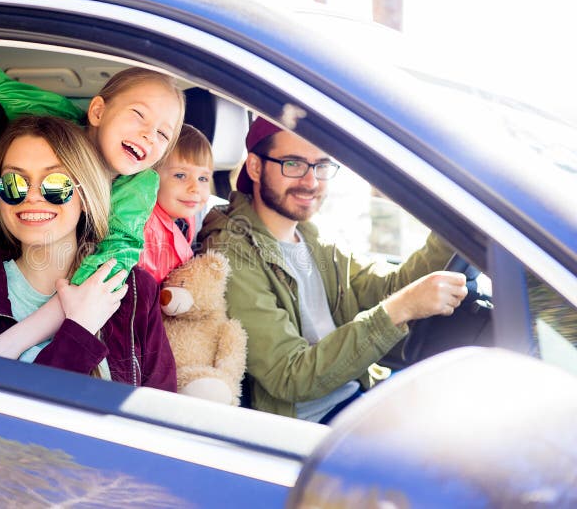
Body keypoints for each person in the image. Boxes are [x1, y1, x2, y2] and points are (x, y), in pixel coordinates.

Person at [0, 44, 185, 352]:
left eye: (163, 134)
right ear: (98, 111)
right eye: (139, 115)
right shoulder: (48, 116)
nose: (148, 135)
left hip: (54, 266)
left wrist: (14, 341)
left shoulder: (138, 185)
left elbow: (107, 270)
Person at [197, 117, 467, 422]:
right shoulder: (231, 252)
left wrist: (452, 231)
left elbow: (392, 285)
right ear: (256, 167)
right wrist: (400, 308)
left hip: (357, 393)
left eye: (321, 166)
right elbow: (289, 375)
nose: (311, 182)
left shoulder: (313, 235)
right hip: (312, 424)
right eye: (293, 164)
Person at [0, 116, 177, 390]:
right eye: (14, 183)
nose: (33, 196)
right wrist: (79, 329)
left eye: (56, 183)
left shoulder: (135, 291)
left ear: (86, 197)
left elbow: (160, 411)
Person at [139, 124, 214, 283]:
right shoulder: (146, 231)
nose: (195, 188)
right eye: (180, 175)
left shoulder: (186, 213)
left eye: (203, 178)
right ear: (152, 176)